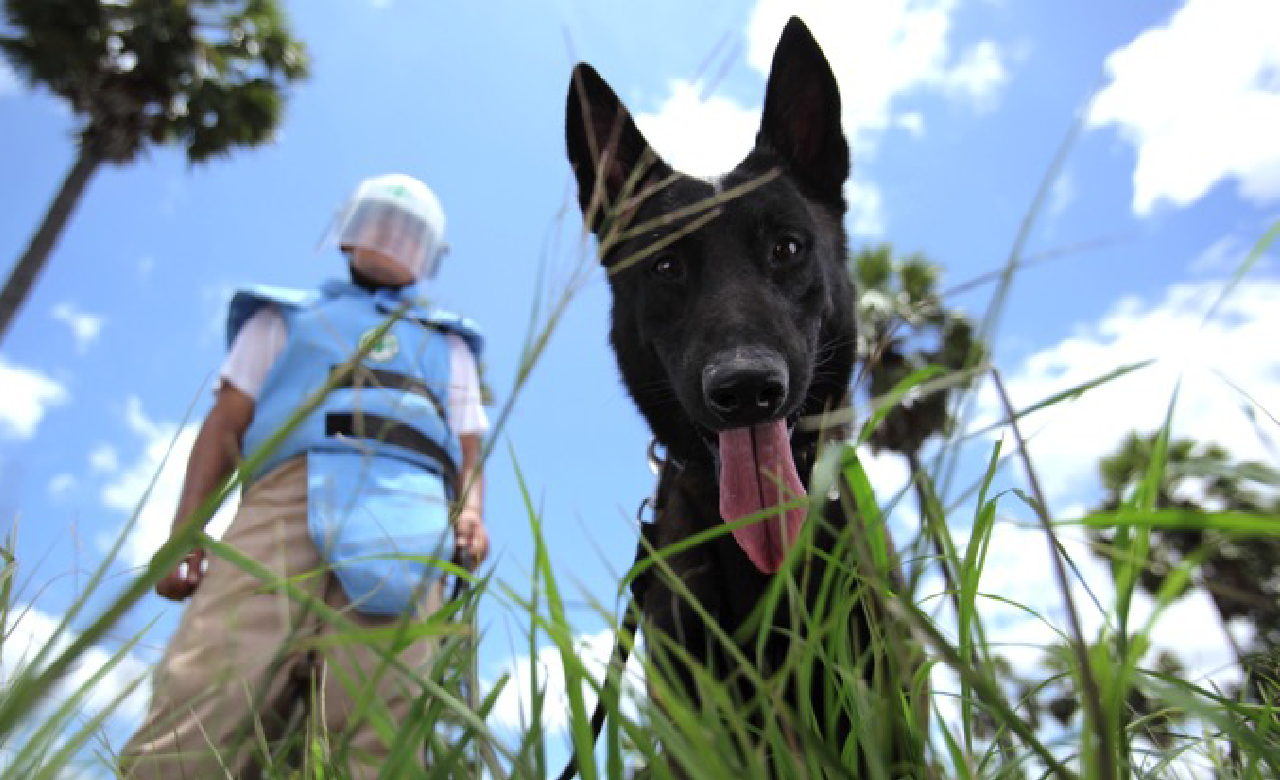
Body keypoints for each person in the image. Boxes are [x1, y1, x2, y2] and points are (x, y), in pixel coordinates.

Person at [120, 173, 490, 779]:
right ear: (347, 235)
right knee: (213, 690)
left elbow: (469, 451)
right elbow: (222, 428)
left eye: (408, 235)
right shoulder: (285, 317)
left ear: (428, 255)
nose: (392, 242)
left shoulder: (449, 347)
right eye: (379, 226)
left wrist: (470, 511)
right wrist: (185, 533)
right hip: (283, 503)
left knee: (378, 723)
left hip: (409, 519)